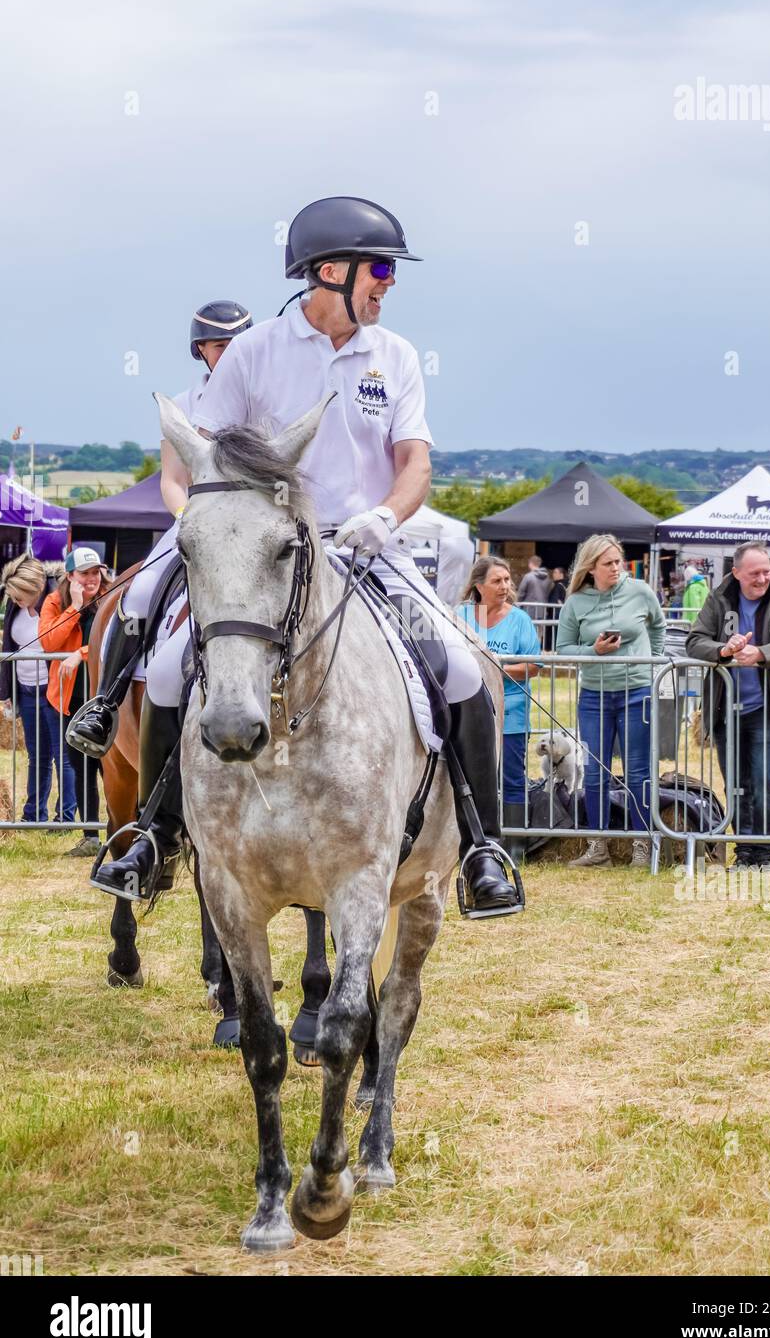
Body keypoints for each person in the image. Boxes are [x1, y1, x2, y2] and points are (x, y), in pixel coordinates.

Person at [92, 197, 522, 918]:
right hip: (270, 554)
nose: (389, 282)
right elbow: (204, 451)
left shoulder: (397, 356)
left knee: (459, 666)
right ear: (330, 270)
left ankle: (484, 848)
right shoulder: (257, 351)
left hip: (367, 547)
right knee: (167, 670)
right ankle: (156, 836)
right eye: (380, 268)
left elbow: (414, 463)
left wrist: (385, 514)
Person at [67, 300, 254, 761]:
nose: (228, 354)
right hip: (195, 522)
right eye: (218, 346)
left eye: (237, 346)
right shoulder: (184, 406)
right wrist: (191, 516)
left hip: (255, 527)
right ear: (201, 350)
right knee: (138, 591)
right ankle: (105, 704)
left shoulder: (266, 401)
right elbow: (172, 480)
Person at [685, 541, 770, 871]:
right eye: (755, 573)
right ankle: (744, 851)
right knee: (737, 784)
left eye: (767, 570)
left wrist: (762, 654)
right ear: (736, 573)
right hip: (727, 709)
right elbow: (695, 641)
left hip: (768, 708)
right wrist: (723, 650)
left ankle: (767, 854)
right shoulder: (718, 598)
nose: (763, 578)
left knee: (764, 780)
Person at [556, 533, 666, 868]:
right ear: (591, 568)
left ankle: (643, 846)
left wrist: (652, 664)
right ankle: (597, 846)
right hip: (593, 697)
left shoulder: (640, 591)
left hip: (637, 693)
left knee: (638, 772)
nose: (616, 568)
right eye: (608, 563)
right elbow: (563, 649)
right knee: (594, 772)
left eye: (619, 561)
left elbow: (659, 626)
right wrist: (595, 651)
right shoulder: (575, 603)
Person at [457, 557, 541, 864]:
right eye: (497, 581)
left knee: (512, 780)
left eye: (507, 580)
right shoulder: (464, 615)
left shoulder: (519, 619)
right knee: (471, 779)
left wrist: (495, 671)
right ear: (479, 586)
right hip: (469, 716)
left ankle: (514, 846)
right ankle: (472, 843)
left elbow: (534, 666)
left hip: (511, 714)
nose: (505, 586)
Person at [38, 548, 113, 849]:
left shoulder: (112, 597)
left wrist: (80, 654)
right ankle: (90, 837)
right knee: (82, 768)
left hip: (106, 697)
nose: (92, 578)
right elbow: (47, 642)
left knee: (112, 768)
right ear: (69, 576)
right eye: (85, 573)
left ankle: (123, 830)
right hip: (71, 700)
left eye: (96, 572)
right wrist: (76, 608)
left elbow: (111, 640)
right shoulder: (55, 602)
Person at [1, 555, 57, 823]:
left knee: (64, 757)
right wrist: (6, 692)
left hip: (52, 689)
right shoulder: (16, 607)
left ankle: (66, 818)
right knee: (38, 757)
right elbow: (8, 649)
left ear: (34, 589)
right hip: (25, 689)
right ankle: (34, 814)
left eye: (19, 596)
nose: (14, 602)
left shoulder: (54, 601)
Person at [516, 555, 552, 640]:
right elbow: (548, 592)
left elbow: (521, 593)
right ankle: (537, 651)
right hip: (542, 609)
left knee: (527, 633)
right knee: (539, 634)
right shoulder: (548, 578)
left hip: (529, 610)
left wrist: (518, 604)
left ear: (530, 564)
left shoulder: (528, 576)